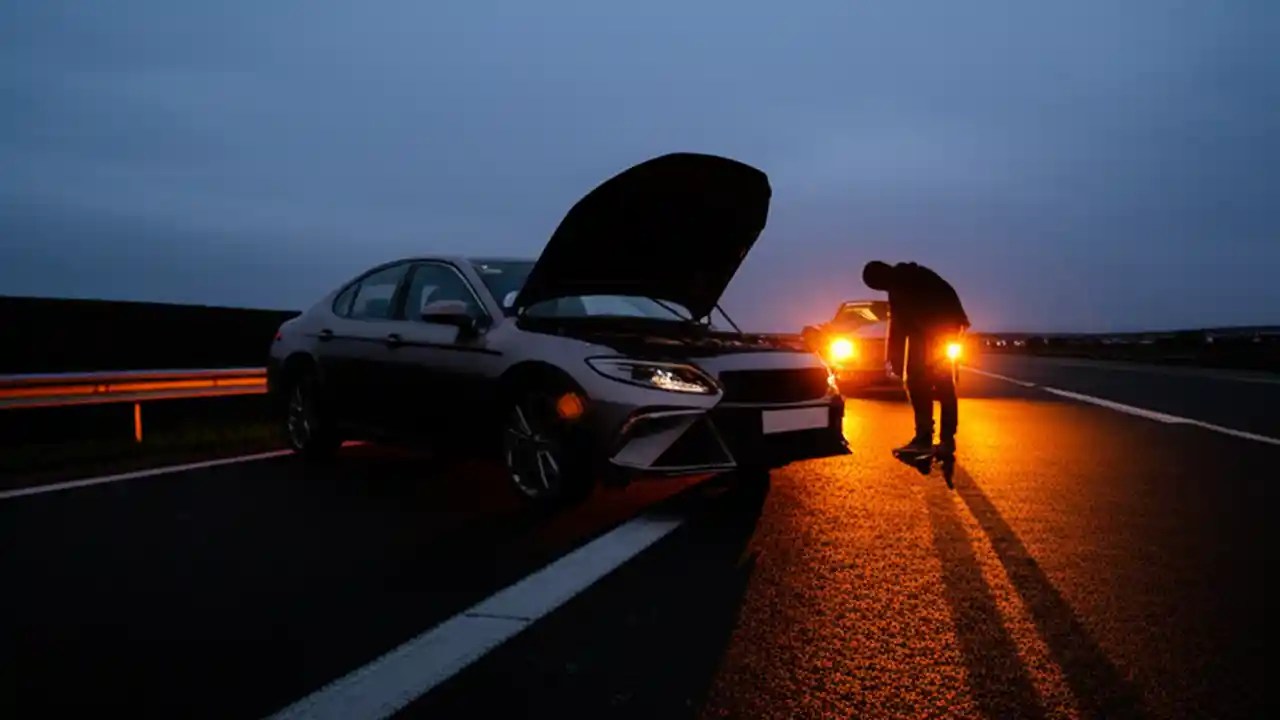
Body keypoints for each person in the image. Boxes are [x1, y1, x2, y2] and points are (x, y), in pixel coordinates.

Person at [862, 261, 970, 456]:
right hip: (947, 326)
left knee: (920, 381)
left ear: (881, 278)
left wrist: (894, 358)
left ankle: (925, 437)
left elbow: (899, 326)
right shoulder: (914, 274)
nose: (880, 290)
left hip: (937, 330)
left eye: (876, 286)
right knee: (942, 383)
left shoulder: (899, 285)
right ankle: (944, 439)